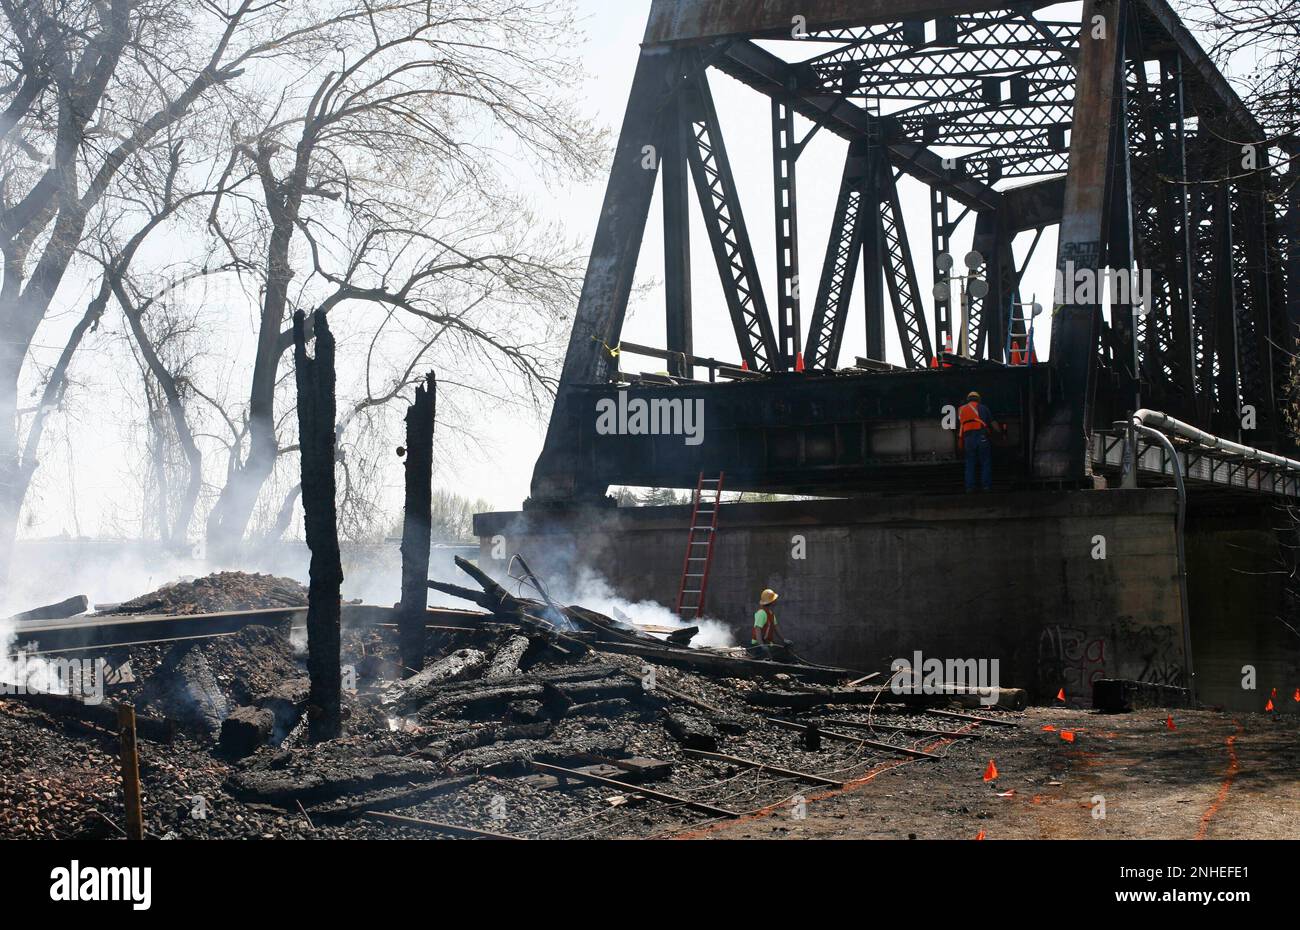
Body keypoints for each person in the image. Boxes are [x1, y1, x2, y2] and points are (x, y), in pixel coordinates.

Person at [958, 391, 1002, 493]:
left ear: (968, 399)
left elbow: (960, 425)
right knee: (985, 461)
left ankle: (970, 488)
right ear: (978, 399)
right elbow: (992, 423)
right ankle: (986, 486)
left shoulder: (961, 409)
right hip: (981, 437)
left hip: (968, 439)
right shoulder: (983, 408)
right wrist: (999, 432)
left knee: (970, 463)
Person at [751, 588, 783, 657]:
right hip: (758, 645)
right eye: (774, 599)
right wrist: (761, 645)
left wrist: (784, 639)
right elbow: (757, 630)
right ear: (771, 602)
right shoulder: (761, 613)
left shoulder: (770, 613)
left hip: (767, 643)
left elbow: (776, 627)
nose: (776, 601)